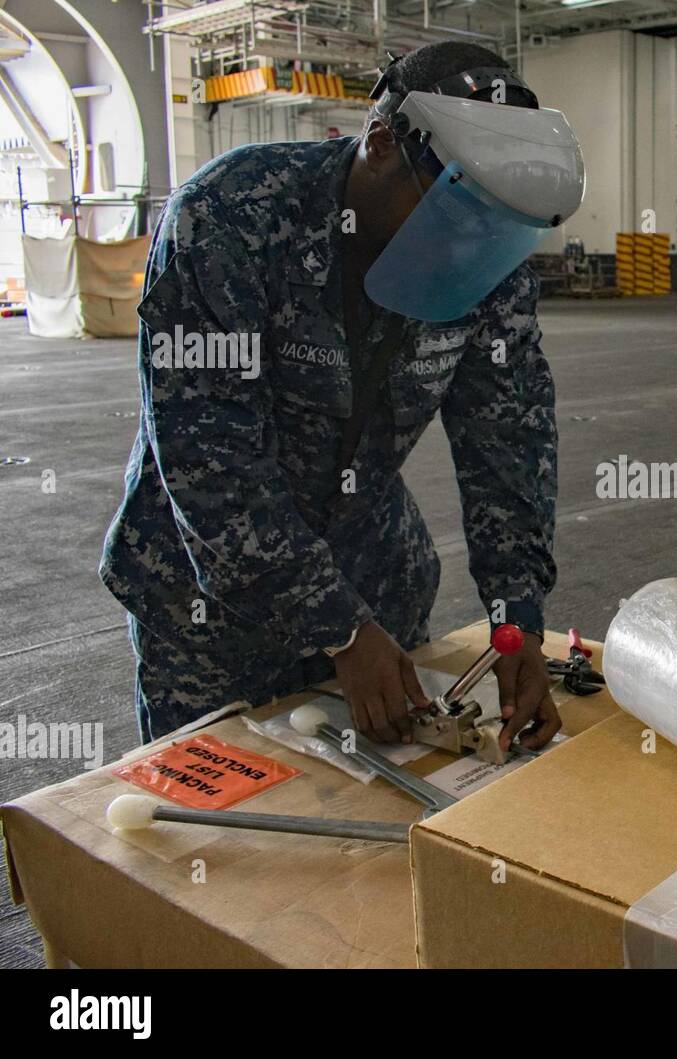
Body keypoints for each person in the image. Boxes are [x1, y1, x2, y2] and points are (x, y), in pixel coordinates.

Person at [99, 43, 585, 752]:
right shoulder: (229, 220)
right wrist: (341, 630)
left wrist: (516, 620)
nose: (469, 242)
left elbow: (507, 440)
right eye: (452, 207)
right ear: (382, 144)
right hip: (209, 606)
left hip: (374, 574)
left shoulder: (484, 256)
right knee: (211, 823)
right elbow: (210, 460)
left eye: (491, 223)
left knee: (373, 825)